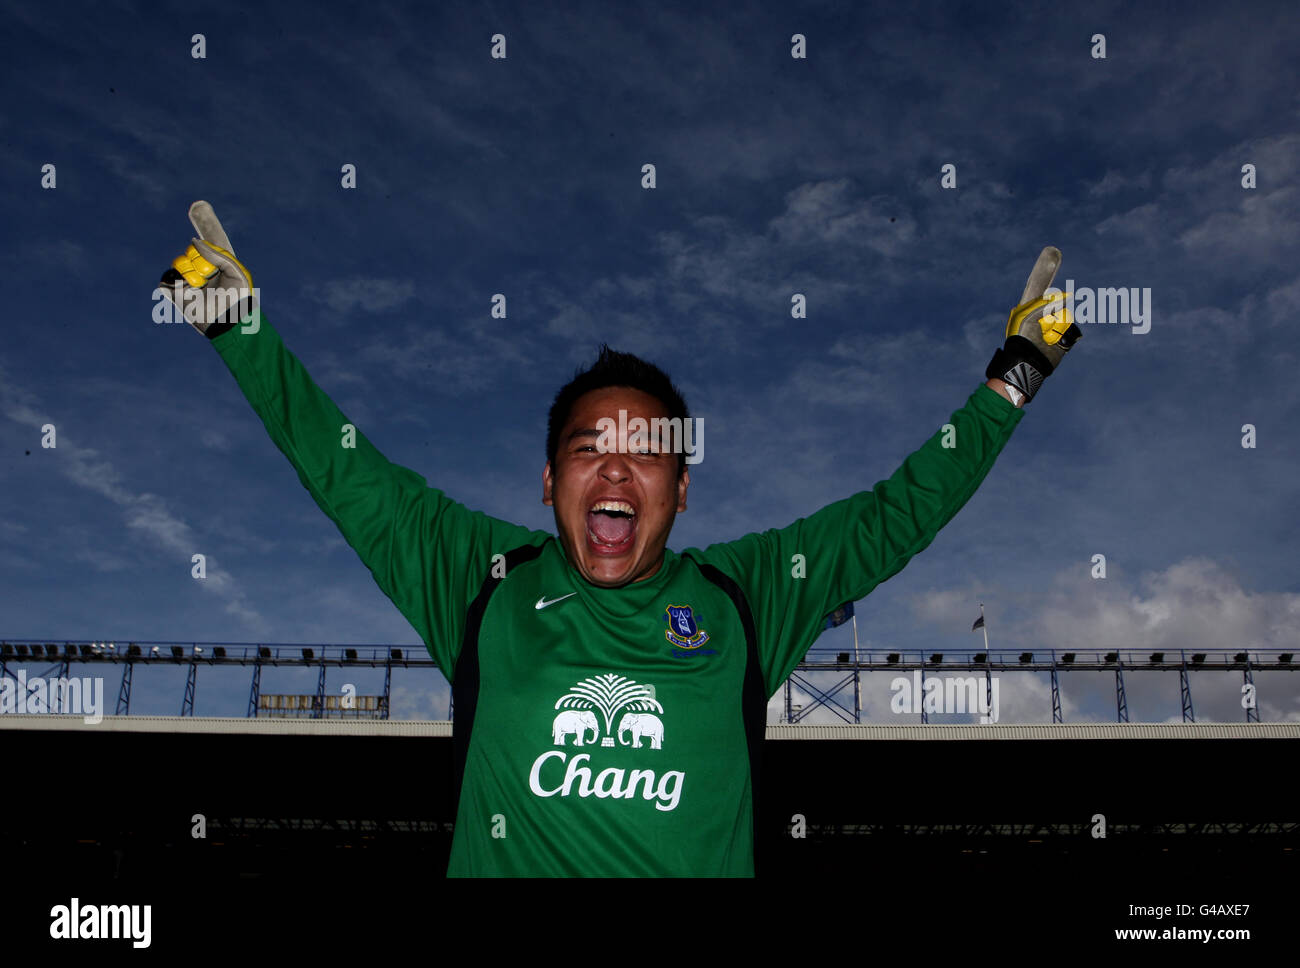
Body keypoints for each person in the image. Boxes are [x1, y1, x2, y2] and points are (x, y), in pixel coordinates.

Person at [159, 201, 1080, 876]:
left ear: (679, 491)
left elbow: (898, 511)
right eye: (587, 450)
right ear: (550, 482)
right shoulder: (480, 577)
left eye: (644, 454)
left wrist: (1019, 374)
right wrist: (239, 329)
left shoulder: (747, 593)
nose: (613, 470)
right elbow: (343, 467)